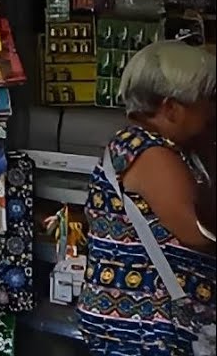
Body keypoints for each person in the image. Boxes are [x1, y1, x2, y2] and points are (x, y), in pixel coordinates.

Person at [78, 41, 216, 355]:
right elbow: (199, 233)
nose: (211, 110)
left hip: (141, 325)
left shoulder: (151, 146)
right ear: (171, 107)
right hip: (147, 329)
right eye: (207, 100)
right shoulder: (149, 151)